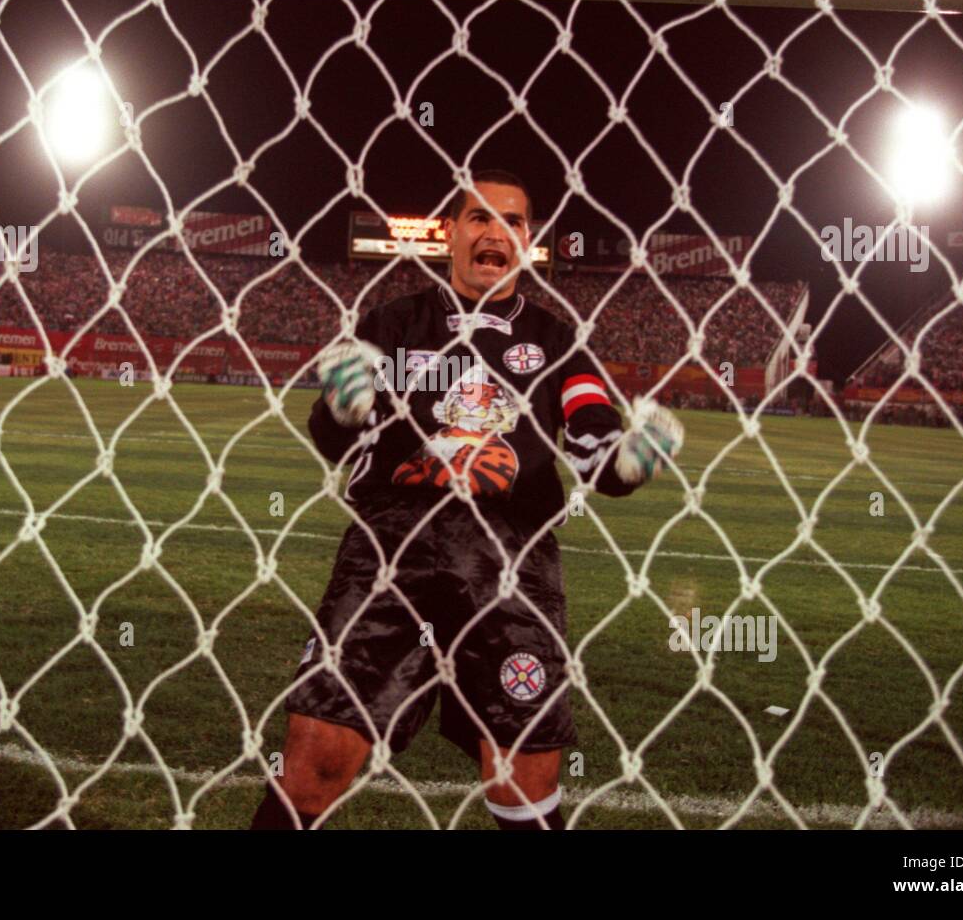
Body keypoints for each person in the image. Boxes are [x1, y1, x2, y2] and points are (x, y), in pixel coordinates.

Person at [250, 170, 683, 831]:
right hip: (390, 554)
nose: (494, 231)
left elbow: (597, 451)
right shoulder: (392, 324)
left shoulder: (557, 341)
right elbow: (333, 438)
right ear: (450, 234)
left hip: (512, 566)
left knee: (522, 779)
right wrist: (340, 405)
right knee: (315, 759)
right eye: (478, 218)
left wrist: (629, 460)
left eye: (512, 220)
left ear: (527, 240)